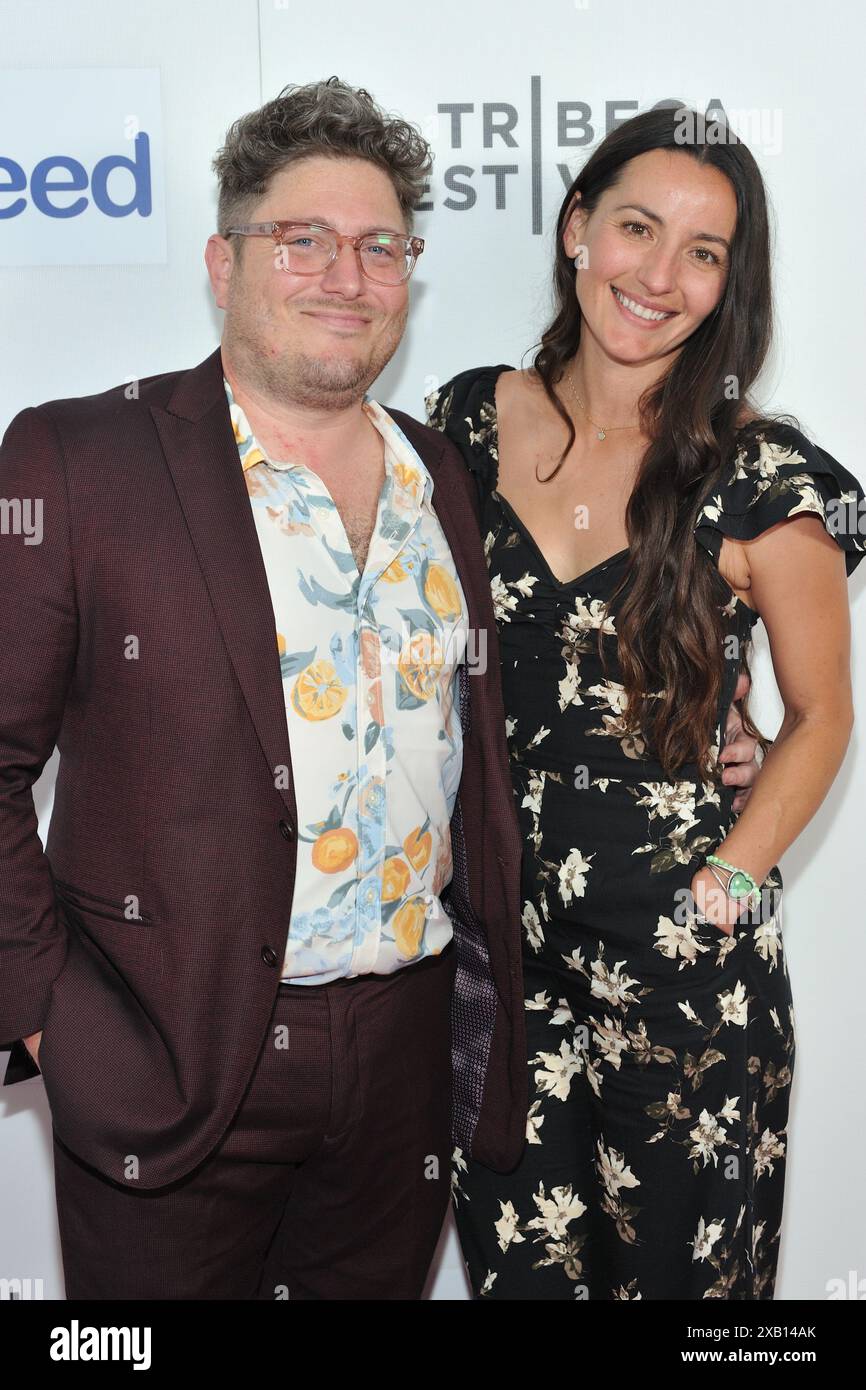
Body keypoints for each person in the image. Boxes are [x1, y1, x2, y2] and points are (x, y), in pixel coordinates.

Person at [0, 80, 761, 1301]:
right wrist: (55, 1026)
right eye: (299, 239)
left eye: (378, 246)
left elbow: (556, 671)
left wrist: (719, 715)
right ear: (221, 259)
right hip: (170, 1060)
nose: (342, 276)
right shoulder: (80, 459)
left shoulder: (442, 472)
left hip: (404, 1069)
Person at [426, 105, 864, 1299]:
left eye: (704, 253)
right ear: (575, 228)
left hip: (685, 975)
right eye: (634, 227)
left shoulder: (761, 477)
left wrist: (721, 888)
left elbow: (821, 715)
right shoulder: (464, 422)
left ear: (730, 286)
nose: (659, 277)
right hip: (492, 963)